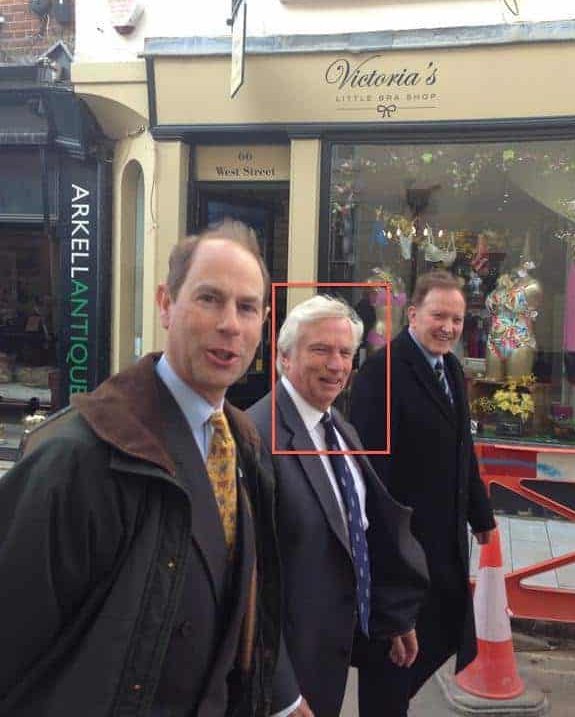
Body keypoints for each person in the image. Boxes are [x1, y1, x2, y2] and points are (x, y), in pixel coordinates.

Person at [0, 221, 284, 717]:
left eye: (246, 308)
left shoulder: (245, 446)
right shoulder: (75, 456)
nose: (230, 325)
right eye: (209, 299)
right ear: (166, 303)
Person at [249, 296, 429, 717]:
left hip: (338, 653)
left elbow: (360, 531)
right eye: (320, 350)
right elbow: (246, 585)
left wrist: (390, 616)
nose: (336, 364)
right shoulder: (256, 437)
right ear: (284, 358)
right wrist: (282, 694)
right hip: (289, 678)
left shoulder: (337, 426)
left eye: (345, 352)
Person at [350, 270, 496, 717]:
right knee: (389, 670)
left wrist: (482, 514)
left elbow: (461, 448)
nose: (449, 327)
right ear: (412, 314)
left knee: (431, 647)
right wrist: (386, 576)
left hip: (442, 548)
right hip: (401, 555)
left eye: (457, 319)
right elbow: (372, 481)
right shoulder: (381, 373)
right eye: (439, 316)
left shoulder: (450, 367)